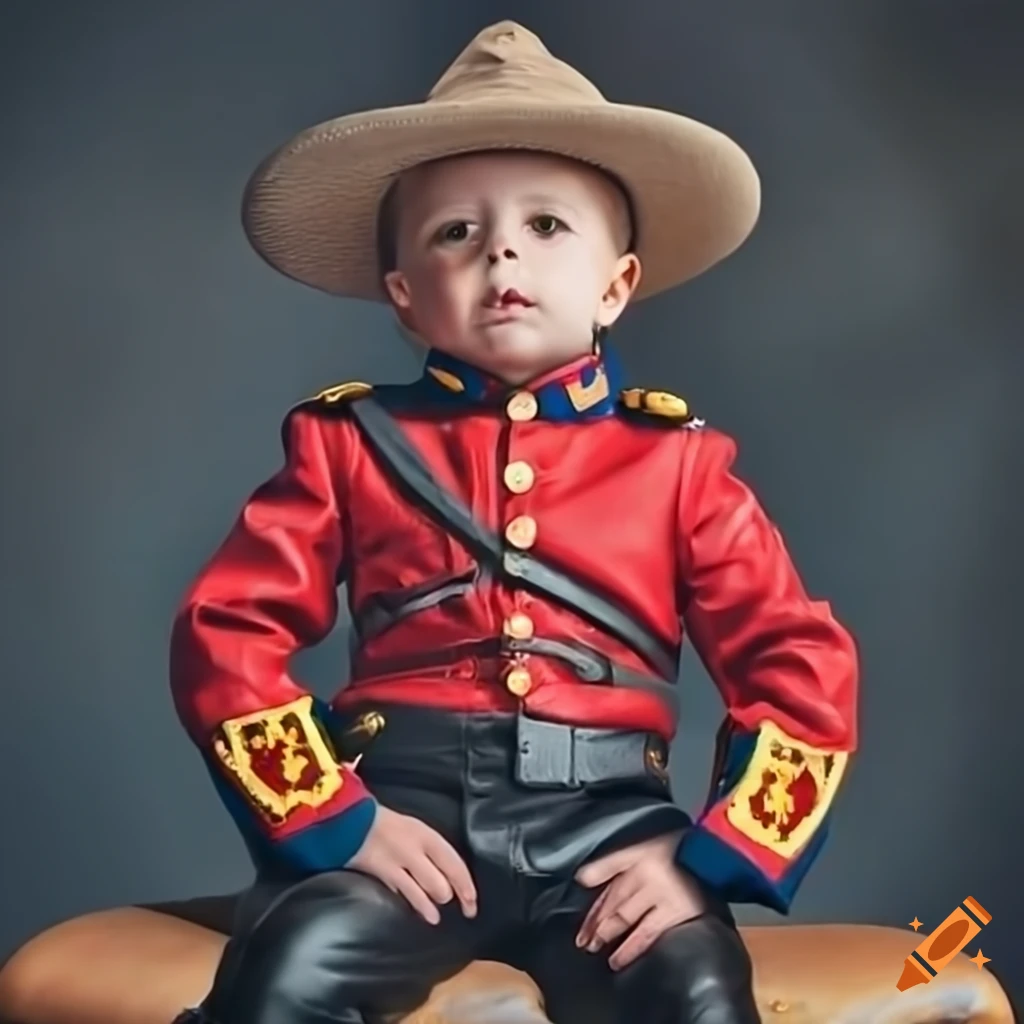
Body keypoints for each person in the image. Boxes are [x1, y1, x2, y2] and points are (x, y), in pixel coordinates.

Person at [167, 19, 858, 1024]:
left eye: (546, 225)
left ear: (616, 285)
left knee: (697, 991)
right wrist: (339, 821)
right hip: (405, 835)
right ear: (407, 299)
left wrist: (708, 859)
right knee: (289, 974)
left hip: (609, 842)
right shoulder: (346, 444)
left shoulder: (682, 466)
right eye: (456, 232)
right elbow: (225, 632)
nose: (500, 249)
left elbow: (798, 665)